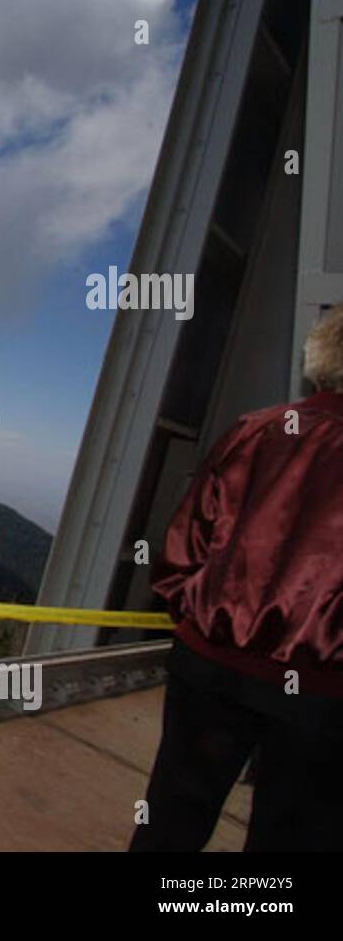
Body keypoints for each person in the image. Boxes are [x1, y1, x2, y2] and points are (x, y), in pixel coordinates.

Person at [130, 302, 343, 852]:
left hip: (209, 667)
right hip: (320, 694)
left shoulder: (257, 430)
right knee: (289, 840)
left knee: (171, 818)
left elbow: (181, 551)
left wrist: (204, 625)